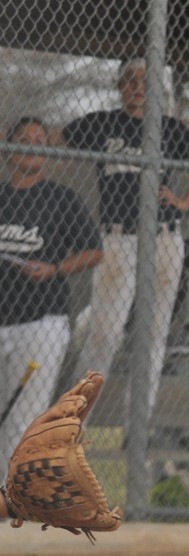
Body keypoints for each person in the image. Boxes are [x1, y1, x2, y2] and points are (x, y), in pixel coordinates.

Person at [57, 58, 189, 415]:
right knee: (104, 334)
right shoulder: (103, 123)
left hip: (163, 238)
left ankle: (138, 428)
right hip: (117, 239)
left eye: (145, 80)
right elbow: (50, 139)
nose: (136, 86)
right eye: (129, 79)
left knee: (154, 335)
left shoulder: (169, 128)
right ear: (119, 85)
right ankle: (72, 424)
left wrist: (183, 201)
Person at [0, 117, 103, 457]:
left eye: (40, 140)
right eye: (23, 138)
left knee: (23, 419)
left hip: (42, 321)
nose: (32, 145)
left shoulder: (61, 197)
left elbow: (93, 251)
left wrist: (55, 268)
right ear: (9, 148)